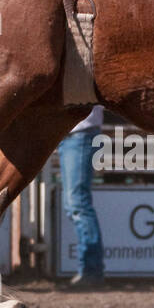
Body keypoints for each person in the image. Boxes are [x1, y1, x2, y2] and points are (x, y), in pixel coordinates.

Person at [59, 106, 104, 287]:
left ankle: (91, 269)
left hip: (80, 132)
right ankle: (90, 269)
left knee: (77, 203)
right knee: (75, 203)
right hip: (75, 133)